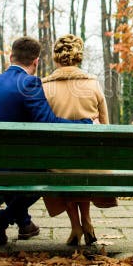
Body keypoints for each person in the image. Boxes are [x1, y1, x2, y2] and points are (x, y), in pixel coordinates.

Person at [0, 36, 91, 245]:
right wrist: (86, 123)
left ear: (10, 57)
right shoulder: (29, 83)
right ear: (36, 62)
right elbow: (49, 123)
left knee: (15, 167)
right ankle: (1, 222)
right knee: (46, 173)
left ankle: (25, 224)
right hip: (7, 166)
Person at [41, 34, 113, 246]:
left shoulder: (44, 87)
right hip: (90, 162)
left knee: (64, 167)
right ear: (78, 57)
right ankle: (87, 221)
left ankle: (76, 226)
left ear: (56, 57)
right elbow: (106, 126)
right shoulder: (93, 84)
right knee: (84, 165)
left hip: (59, 163)